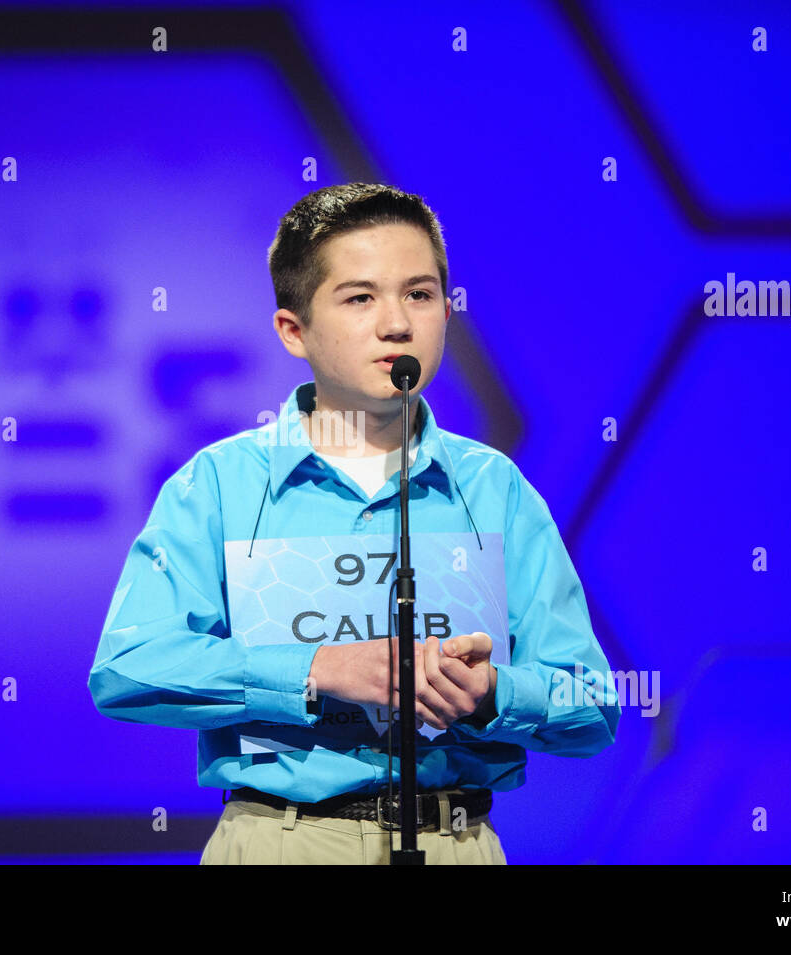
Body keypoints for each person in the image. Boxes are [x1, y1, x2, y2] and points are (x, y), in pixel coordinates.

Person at [89, 183, 619, 864]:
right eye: (360, 298)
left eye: (419, 294)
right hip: (281, 841)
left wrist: (493, 692)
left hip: (455, 839)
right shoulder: (218, 485)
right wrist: (316, 669)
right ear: (294, 330)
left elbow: (593, 703)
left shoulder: (496, 489)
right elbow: (127, 668)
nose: (396, 323)